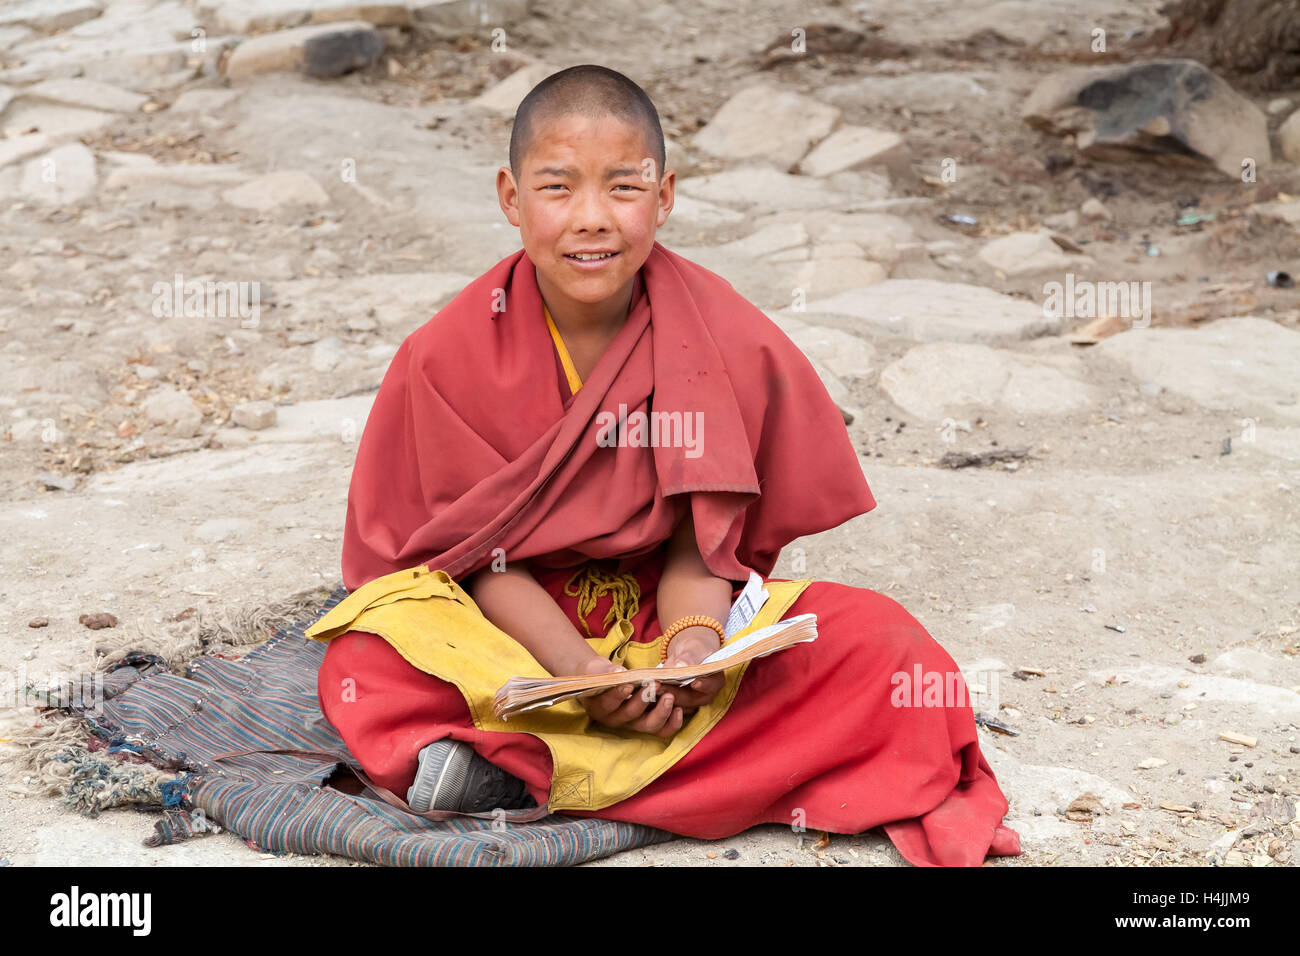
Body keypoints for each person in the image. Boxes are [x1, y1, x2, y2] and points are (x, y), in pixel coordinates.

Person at [308, 64, 1022, 866]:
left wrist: (694, 653)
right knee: (367, 658)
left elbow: (703, 544)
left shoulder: (718, 336)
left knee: (889, 648)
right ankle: (687, 774)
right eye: (557, 188)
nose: (591, 220)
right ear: (511, 199)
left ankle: (525, 772)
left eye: (622, 188)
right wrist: (582, 674)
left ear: (664, 195)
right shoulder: (445, 356)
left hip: (665, 613)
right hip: (508, 633)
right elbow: (470, 561)